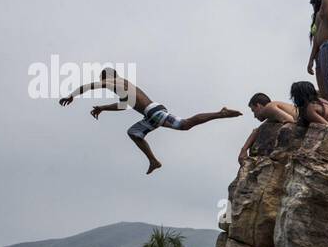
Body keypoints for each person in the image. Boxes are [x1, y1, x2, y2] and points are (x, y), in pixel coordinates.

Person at [60, 68, 242, 174]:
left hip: (152, 112)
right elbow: (124, 106)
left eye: (103, 81)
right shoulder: (123, 85)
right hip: (150, 113)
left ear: (106, 77)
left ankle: (220, 113)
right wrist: (102, 108)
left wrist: (72, 95)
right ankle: (153, 161)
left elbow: (90, 86)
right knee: (134, 132)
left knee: (185, 125)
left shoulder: (113, 82)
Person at [239, 93, 297, 163]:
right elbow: (257, 130)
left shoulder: (269, 108)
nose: (254, 116)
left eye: (253, 110)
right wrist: (244, 149)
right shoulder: (272, 112)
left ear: (258, 106)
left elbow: (290, 120)